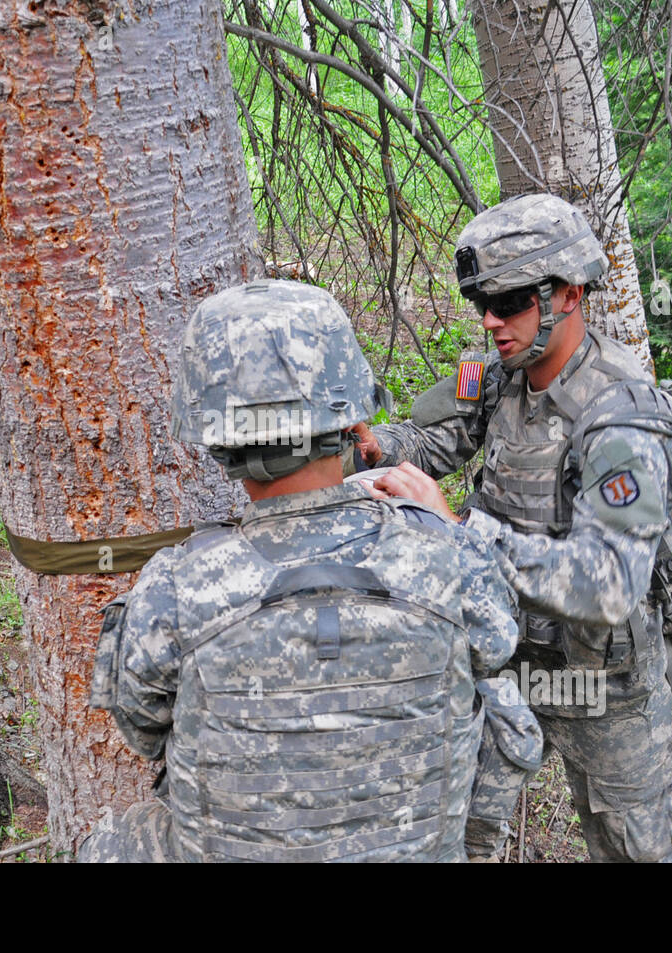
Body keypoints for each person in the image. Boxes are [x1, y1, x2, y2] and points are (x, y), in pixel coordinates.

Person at [78, 279, 541, 863]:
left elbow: (144, 730)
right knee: (497, 701)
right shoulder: (449, 556)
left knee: (117, 840)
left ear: (216, 442)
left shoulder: (175, 587)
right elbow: (497, 645)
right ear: (352, 421)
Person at [352, 193, 672, 863]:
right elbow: (438, 437)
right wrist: (375, 449)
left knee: (641, 849)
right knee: (460, 829)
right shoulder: (498, 373)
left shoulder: (619, 414)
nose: (491, 320)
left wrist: (460, 530)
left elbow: (610, 585)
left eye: (509, 302)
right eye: (485, 302)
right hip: (504, 652)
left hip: (605, 683)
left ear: (567, 292)